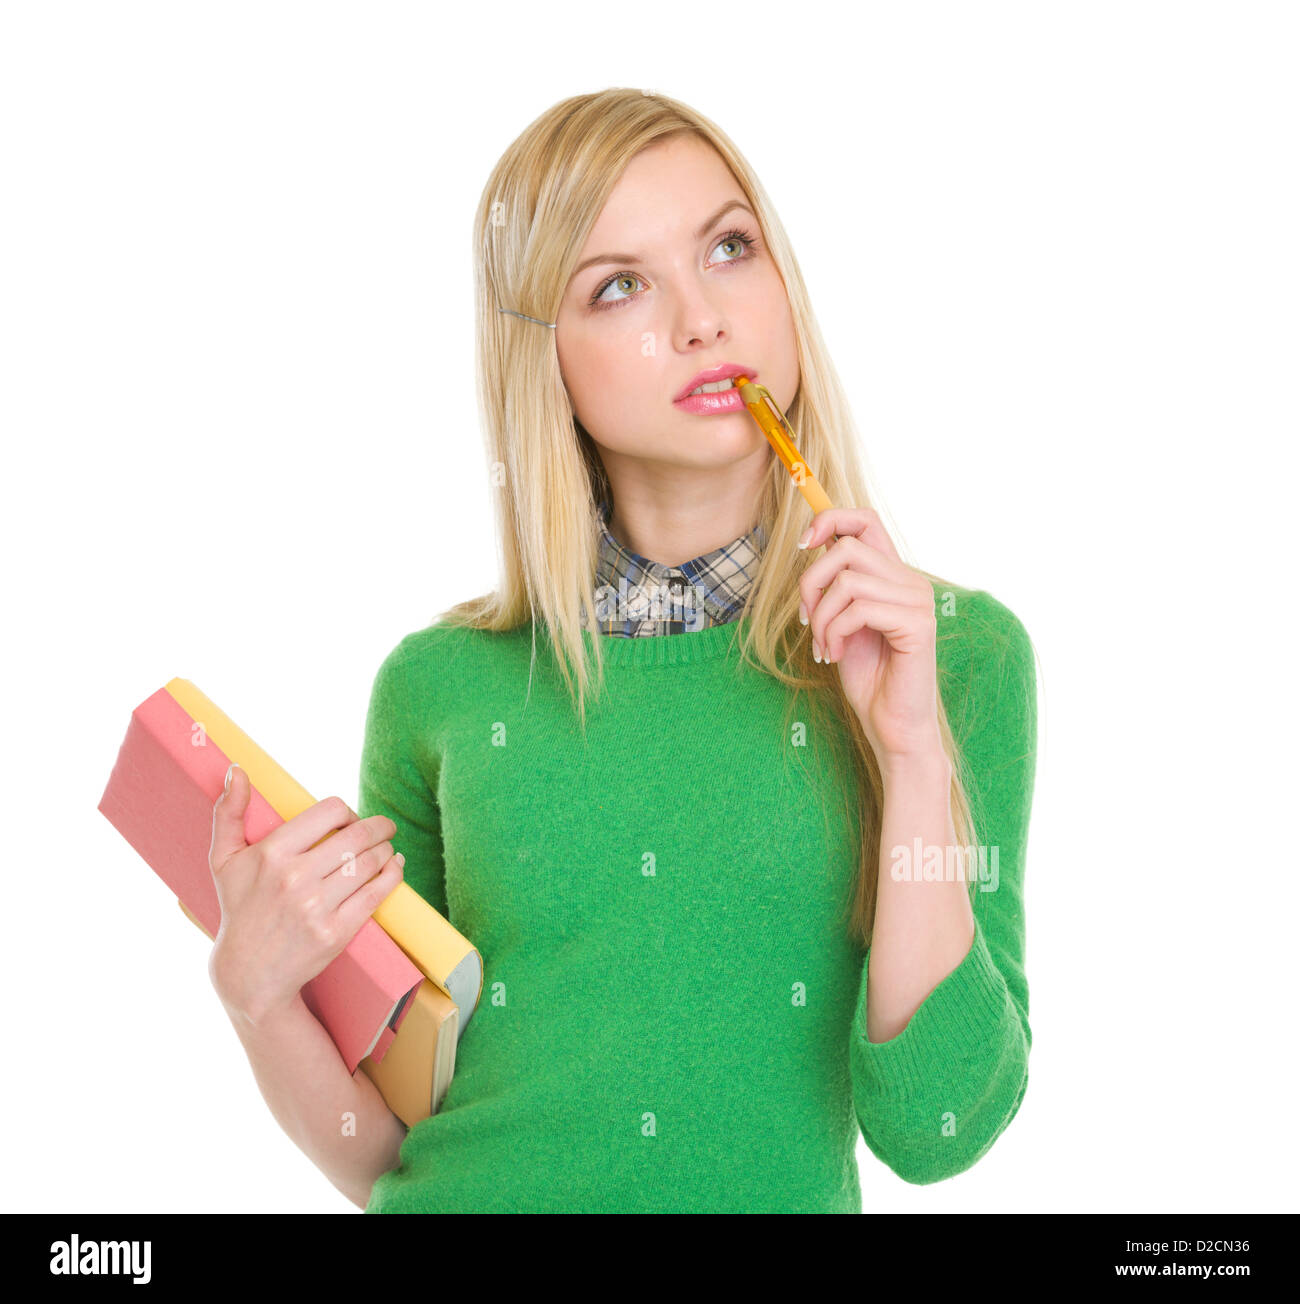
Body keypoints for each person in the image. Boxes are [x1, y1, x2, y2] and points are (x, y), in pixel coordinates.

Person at [211, 87, 1038, 1214]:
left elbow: (935, 1123)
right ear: (541, 359)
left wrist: (911, 751)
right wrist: (259, 994)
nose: (703, 319)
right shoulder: (437, 687)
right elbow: (384, 1146)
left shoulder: (952, 657)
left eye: (730, 248)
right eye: (619, 285)